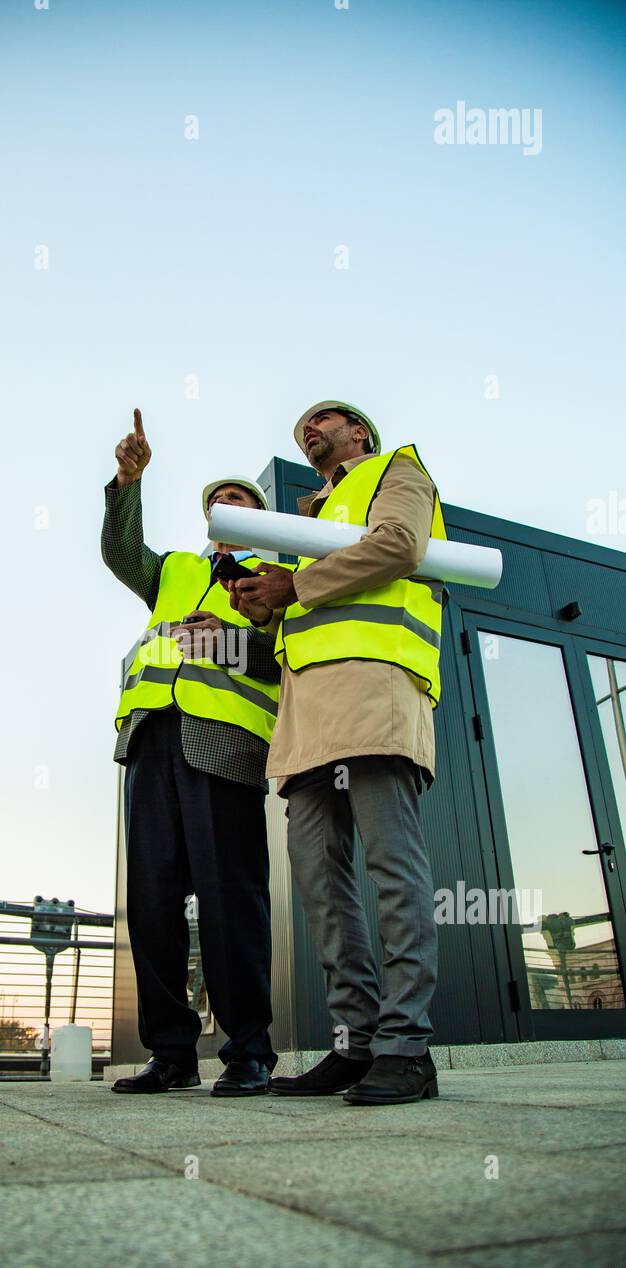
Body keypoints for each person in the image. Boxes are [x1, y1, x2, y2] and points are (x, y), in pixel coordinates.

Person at [229, 400, 445, 1105]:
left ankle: (407, 1046)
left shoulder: (396, 469)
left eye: (323, 420)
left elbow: (399, 547)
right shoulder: (303, 520)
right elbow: (301, 608)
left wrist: (298, 586)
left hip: (374, 690)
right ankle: (354, 1045)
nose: (309, 431)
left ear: (360, 432)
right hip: (306, 719)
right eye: (301, 430)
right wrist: (265, 605)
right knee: (323, 887)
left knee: (391, 868)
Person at [103, 408, 287, 1097]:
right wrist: (128, 480)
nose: (225, 506)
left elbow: (285, 660)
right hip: (152, 737)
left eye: (238, 500)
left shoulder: (281, 578)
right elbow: (123, 554)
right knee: (150, 899)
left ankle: (248, 1052)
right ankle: (172, 1052)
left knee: (229, 897)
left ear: (260, 519)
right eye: (216, 502)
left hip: (226, 744)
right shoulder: (177, 569)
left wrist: (230, 643)